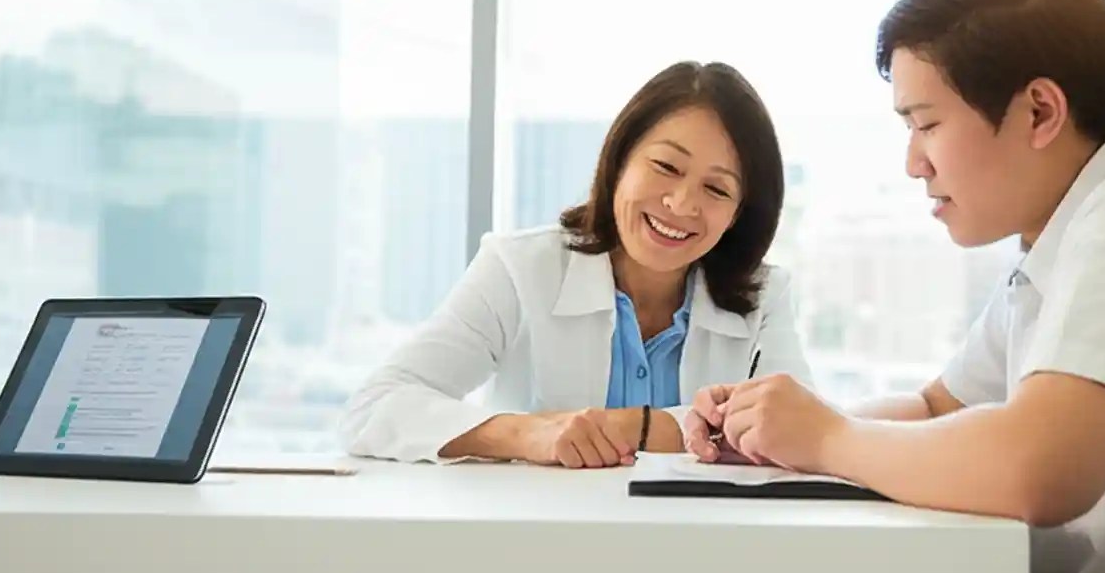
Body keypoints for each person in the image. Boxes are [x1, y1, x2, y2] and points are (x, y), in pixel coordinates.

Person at [684, 0, 1105, 573]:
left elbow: (1039, 468)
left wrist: (826, 437)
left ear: (1041, 112)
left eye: (926, 124)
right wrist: (774, 430)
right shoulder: (1062, 241)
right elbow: (939, 406)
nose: (914, 163)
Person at [341, 60, 811, 468]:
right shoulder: (519, 267)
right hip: (542, 556)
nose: (681, 203)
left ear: (737, 216)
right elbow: (374, 410)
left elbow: (804, 434)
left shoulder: (765, 297)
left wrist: (633, 428)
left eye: (717, 189)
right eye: (666, 167)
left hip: (703, 557)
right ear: (620, 160)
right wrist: (530, 435)